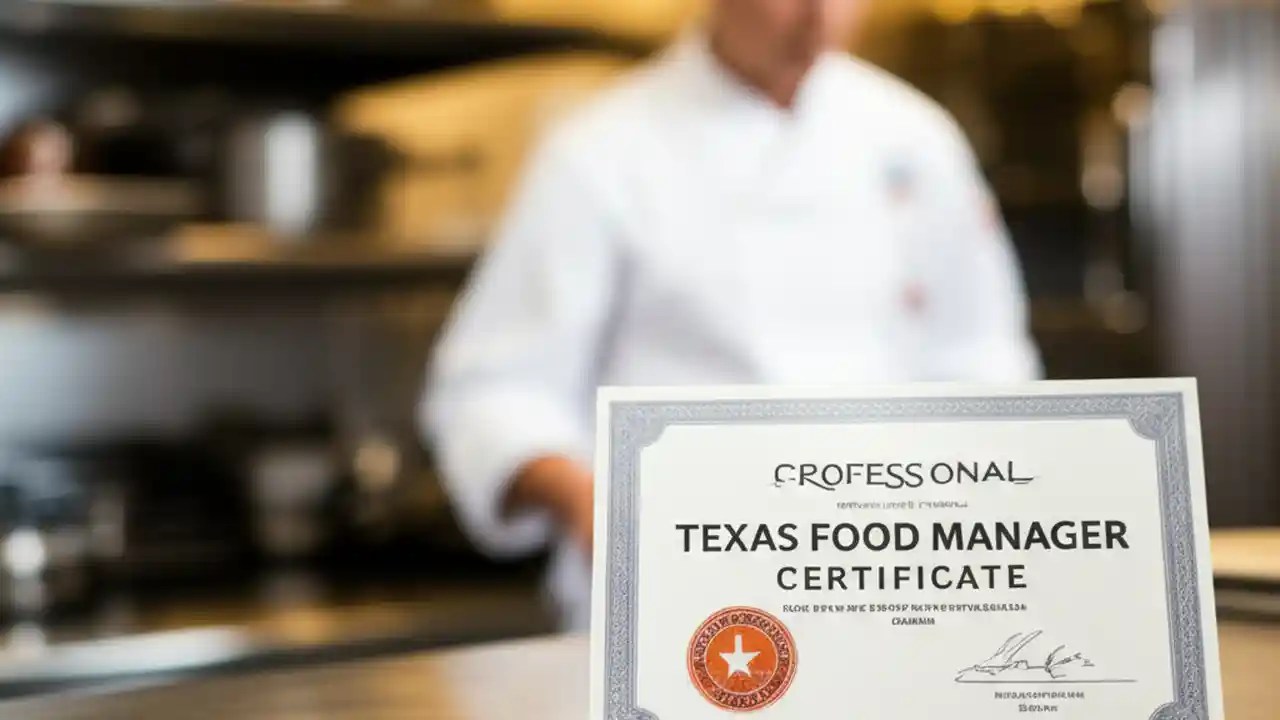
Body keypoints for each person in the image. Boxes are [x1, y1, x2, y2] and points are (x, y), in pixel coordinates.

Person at [421, 0, 1040, 630]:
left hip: (894, 589)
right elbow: (497, 389)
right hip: (676, 592)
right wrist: (588, 500)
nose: (819, 15)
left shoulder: (916, 138)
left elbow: (985, 361)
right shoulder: (601, 152)